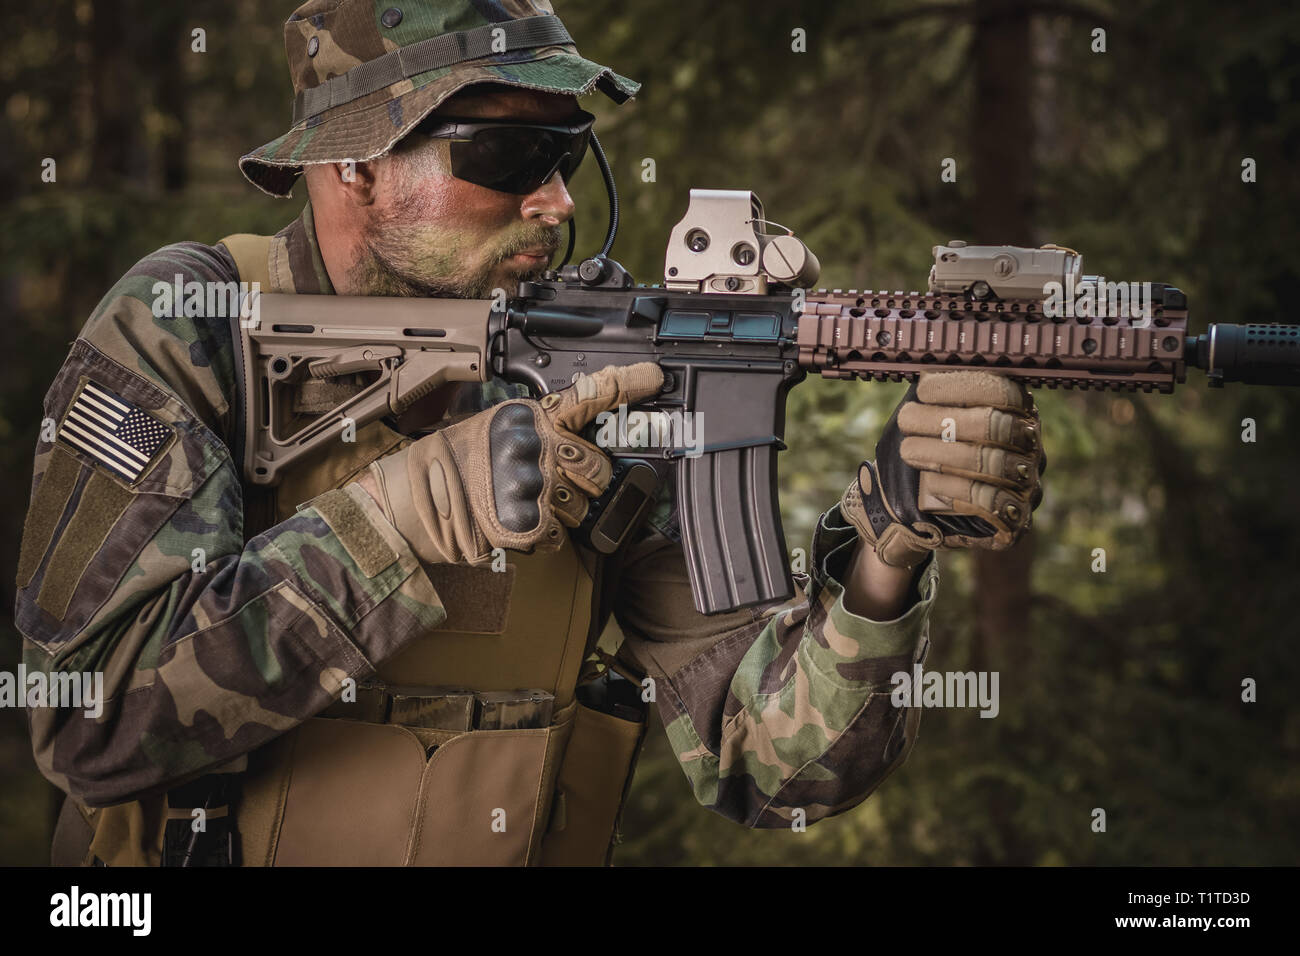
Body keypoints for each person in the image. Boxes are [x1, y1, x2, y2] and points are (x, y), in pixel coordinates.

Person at [15, 0, 1045, 866]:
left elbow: (777, 767)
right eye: (508, 153)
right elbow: (85, 724)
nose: (553, 201)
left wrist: (884, 561)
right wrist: (401, 519)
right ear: (354, 166)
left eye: (567, 155)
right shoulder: (192, 326)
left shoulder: (601, 376)